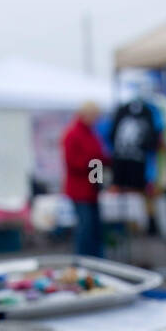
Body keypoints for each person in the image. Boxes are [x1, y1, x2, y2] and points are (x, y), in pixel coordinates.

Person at [63, 101, 109, 258]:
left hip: (92, 188)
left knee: (95, 229)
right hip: (80, 190)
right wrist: (94, 162)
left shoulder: (91, 133)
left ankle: (97, 261)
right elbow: (73, 162)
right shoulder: (73, 134)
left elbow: (98, 158)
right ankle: (83, 261)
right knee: (85, 229)